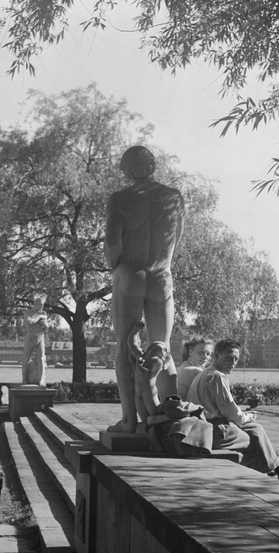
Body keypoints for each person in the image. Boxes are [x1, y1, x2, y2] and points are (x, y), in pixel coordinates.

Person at [105, 145, 185, 432]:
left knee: (127, 346)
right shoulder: (173, 197)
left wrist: (115, 266)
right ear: (152, 166)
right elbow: (176, 238)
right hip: (161, 274)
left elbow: (113, 243)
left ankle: (129, 420)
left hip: (130, 273)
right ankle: (171, 413)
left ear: (127, 169)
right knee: (162, 348)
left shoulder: (121, 199)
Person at [187, 339, 279, 484]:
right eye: (229, 358)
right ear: (216, 356)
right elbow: (233, 414)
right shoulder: (217, 377)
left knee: (255, 433)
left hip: (202, 426)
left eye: (236, 359)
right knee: (256, 431)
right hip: (214, 430)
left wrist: (244, 415)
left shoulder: (205, 374)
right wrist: (250, 416)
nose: (233, 363)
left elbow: (225, 407)